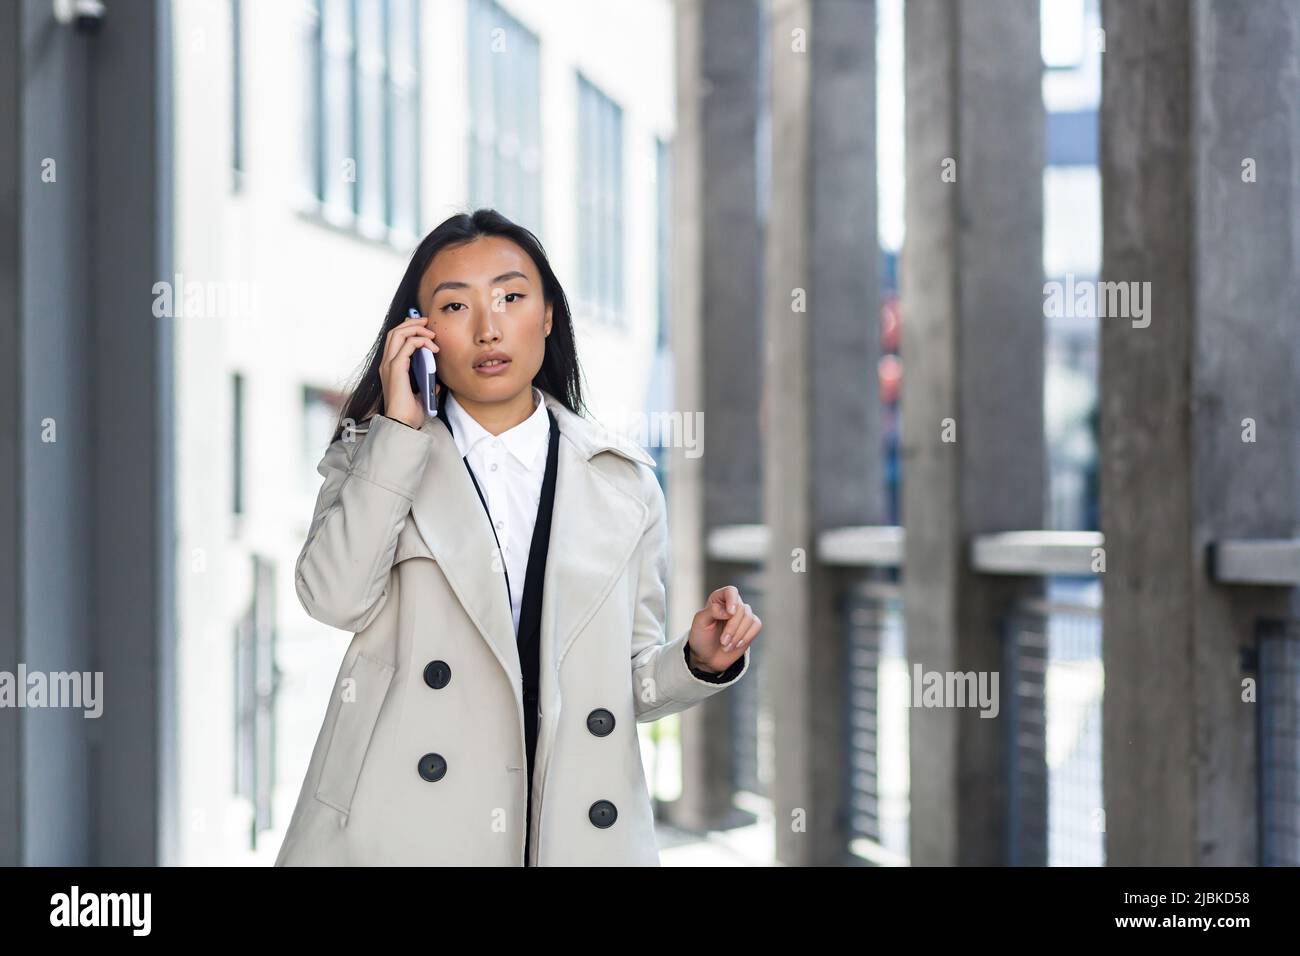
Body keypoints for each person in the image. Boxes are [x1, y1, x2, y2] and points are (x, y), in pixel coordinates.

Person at [275, 208, 761, 866]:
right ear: (420, 335)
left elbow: (626, 692)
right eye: (454, 306)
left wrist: (699, 660)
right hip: (404, 830)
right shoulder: (373, 458)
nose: (487, 327)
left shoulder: (624, 486)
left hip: (573, 835)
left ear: (549, 313)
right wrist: (398, 431)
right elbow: (333, 599)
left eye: (510, 296)